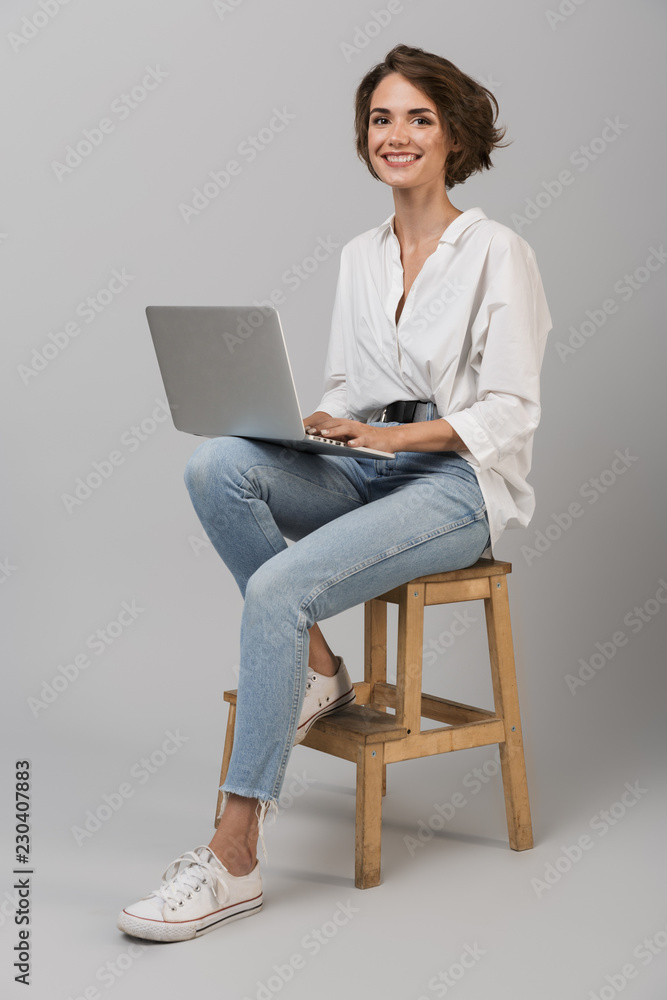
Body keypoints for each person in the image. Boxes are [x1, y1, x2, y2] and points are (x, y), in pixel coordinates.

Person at [117, 43, 552, 942]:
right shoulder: (362, 253)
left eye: (418, 118)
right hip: (367, 464)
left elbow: (509, 411)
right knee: (216, 464)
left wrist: (396, 436)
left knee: (277, 588)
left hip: (454, 485)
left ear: (454, 134)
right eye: (381, 118)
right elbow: (351, 387)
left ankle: (234, 858)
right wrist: (312, 420)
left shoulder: (497, 252)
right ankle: (318, 668)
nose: (395, 135)